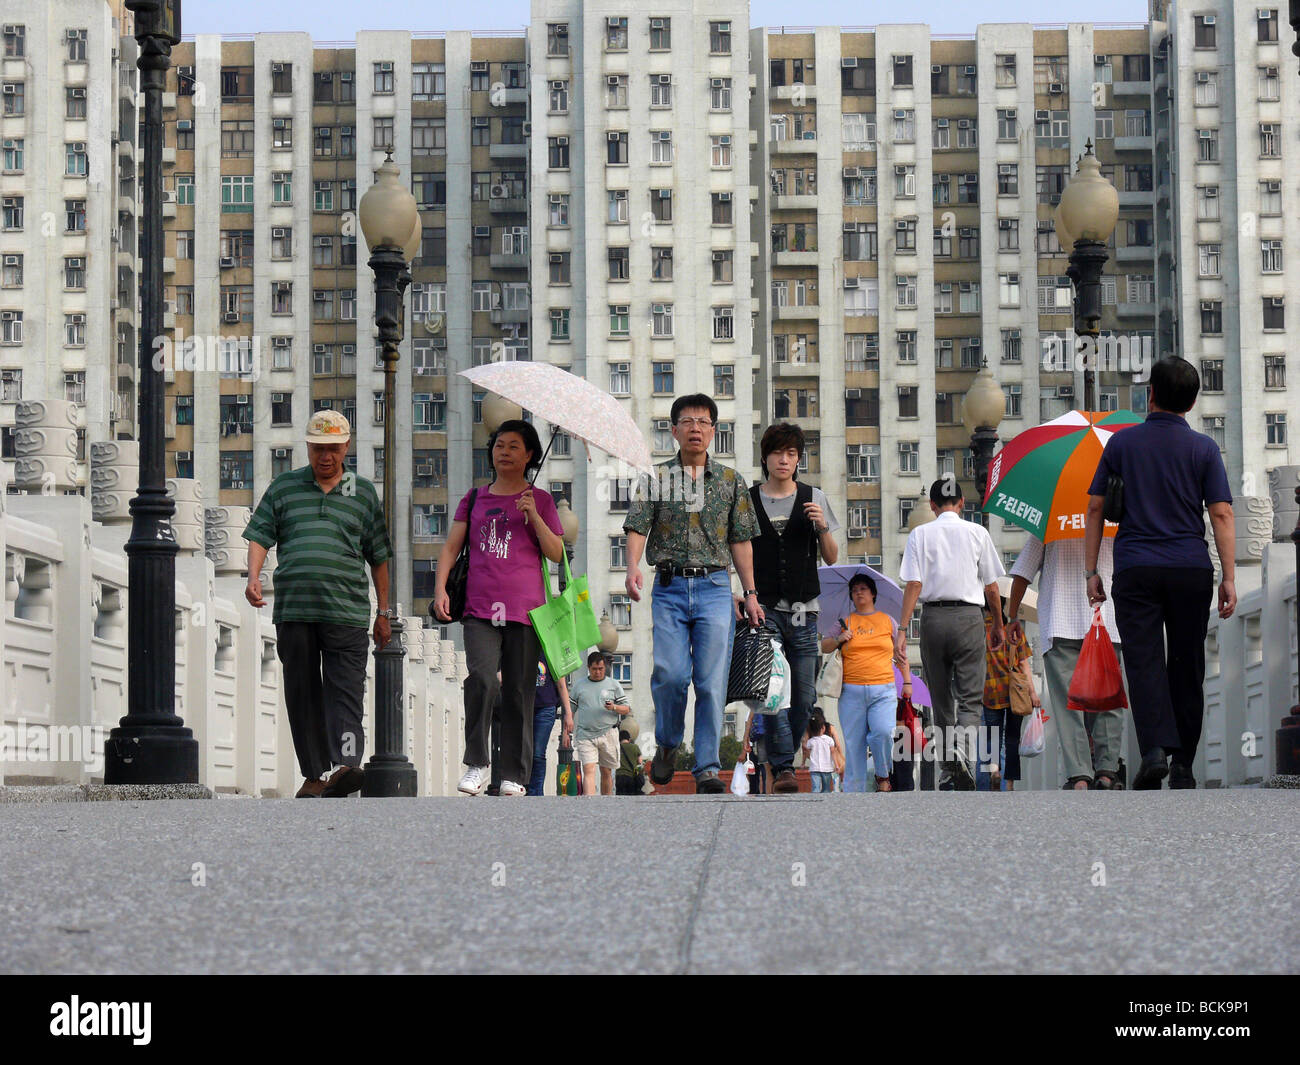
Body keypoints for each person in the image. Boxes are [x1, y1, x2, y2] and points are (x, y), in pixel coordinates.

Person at [1085, 357, 1236, 790]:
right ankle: (1184, 764)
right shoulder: (1205, 449)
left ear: (1150, 394)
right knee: (1187, 664)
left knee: (1144, 660)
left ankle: (1154, 751)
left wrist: (1092, 570)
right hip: (1190, 567)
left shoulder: (1121, 445)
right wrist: (1228, 577)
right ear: (1191, 402)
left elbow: (1096, 506)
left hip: (1136, 568)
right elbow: (1221, 514)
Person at [243, 411, 392, 799]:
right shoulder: (285, 487)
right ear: (307, 447)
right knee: (302, 692)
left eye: (332, 448)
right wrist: (253, 575)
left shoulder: (362, 493)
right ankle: (313, 775)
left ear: (346, 447)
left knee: (345, 691)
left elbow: (379, 555)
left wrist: (384, 612)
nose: (325, 457)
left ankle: (346, 766)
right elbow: (260, 534)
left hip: (346, 610)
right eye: (317, 449)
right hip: (294, 609)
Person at [623, 394, 763, 795]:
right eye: (687, 421)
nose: (696, 428)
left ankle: (706, 767)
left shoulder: (731, 482)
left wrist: (749, 593)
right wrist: (632, 568)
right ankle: (667, 742)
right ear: (674, 430)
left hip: (716, 588)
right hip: (667, 588)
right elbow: (637, 526)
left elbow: (741, 542)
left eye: (704, 421)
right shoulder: (656, 477)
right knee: (670, 675)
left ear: (714, 431)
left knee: (710, 681)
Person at [432, 420, 566, 797]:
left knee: (520, 692)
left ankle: (513, 775)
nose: (504, 452)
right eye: (499, 445)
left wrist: (534, 516)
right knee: (482, 680)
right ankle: (477, 761)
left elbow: (556, 552)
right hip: (479, 608)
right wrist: (440, 588)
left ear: (529, 456)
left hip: (525, 611)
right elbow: (450, 548)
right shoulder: (474, 498)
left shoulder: (540, 500)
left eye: (513, 446)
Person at [745, 422, 840, 794]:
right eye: (777, 453)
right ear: (765, 458)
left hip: (805, 609)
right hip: (764, 608)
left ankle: (779, 757)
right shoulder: (749, 499)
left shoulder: (814, 496)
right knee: (771, 690)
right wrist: (744, 594)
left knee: (803, 694)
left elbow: (831, 559)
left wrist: (822, 529)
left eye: (791, 454)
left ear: (798, 459)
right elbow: (740, 550)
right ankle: (783, 768)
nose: (784, 460)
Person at [897, 477, 1005, 790]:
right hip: (970, 619)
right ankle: (965, 759)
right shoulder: (977, 532)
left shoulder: (920, 534)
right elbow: (991, 587)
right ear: (960, 503)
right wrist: (997, 623)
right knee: (970, 699)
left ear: (932, 506)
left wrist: (902, 630)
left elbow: (914, 585)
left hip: (933, 620)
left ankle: (947, 769)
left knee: (940, 700)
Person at [1007, 534, 1126, 790]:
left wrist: (1013, 615)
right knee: (1108, 700)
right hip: (1107, 619)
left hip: (1062, 621)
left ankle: (1079, 776)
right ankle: (1107, 772)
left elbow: (1022, 573)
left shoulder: (1050, 517)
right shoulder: (1114, 515)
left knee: (1068, 705)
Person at [822, 573, 908, 792]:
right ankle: (854, 792)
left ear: (873, 593)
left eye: (862, 589)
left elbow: (900, 654)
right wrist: (839, 639)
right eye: (854, 590)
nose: (858, 593)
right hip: (851, 692)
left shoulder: (888, 621)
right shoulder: (845, 621)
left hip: (884, 689)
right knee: (854, 746)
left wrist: (907, 682)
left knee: (883, 732)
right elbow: (824, 645)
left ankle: (882, 774)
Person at [977, 602, 1040, 792]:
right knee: (1012, 739)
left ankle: (994, 771)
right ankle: (1010, 783)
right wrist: (1033, 692)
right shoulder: (1014, 630)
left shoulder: (979, 630)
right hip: (1016, 692)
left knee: (992, 737)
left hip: (989, 691)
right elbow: (1024, 665)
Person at [569, 651, 632, 797]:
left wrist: (614, 707)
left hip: (608, 733)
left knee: (606, 771)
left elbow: (626, 708)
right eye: (594, 669)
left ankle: (606, 804)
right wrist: (567, 732)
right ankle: (590, 803)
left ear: (605, 668)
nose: (598, 672)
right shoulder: (579, 686)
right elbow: (570, 711)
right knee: (588, 770)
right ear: (588, 668)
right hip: (585, 734)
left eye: (601, 669)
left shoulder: (614, 685)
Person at [528, 659, 573, 796]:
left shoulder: (551, 650)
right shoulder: (522, 646)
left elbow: (561, 684)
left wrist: (568, 714)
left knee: (538, 752)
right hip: (524, 706)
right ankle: (524, 788)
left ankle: (536, 792)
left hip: (546, 708)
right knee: (525, 752)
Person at [803, 715, 837, 794]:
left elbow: (805, 752)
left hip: (814, 768)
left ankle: (815, 803)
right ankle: (825, 804)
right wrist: (836, 765)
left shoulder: (810, 741)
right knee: (826, 789)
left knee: (815, 788)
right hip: (827, 768)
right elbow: (833, 752)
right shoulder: (829, 740)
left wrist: (803, 763)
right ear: (823, 728)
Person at [615, 729, 643, 795]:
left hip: (619, 776)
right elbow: (639, 762)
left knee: (620, 799)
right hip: (631, 777)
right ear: (629, 739)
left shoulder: (616, 748)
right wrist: (636, 774)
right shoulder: (635, 747)